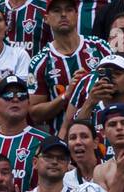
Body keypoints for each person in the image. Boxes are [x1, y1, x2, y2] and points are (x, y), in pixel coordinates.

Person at [27, 0, 108, 134]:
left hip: (104, 137)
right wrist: (67, 95)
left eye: (69, 9)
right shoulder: (39, 62)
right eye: (57, 10)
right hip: (64, 143)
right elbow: (35, 113)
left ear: (77, 15)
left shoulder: (100, 47)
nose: (63, 14)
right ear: (46, 18)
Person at [0, 74, 49, 192]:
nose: (15, 99)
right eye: (8, 96)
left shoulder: (44, 141)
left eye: (21, 95)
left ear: (28, 103)